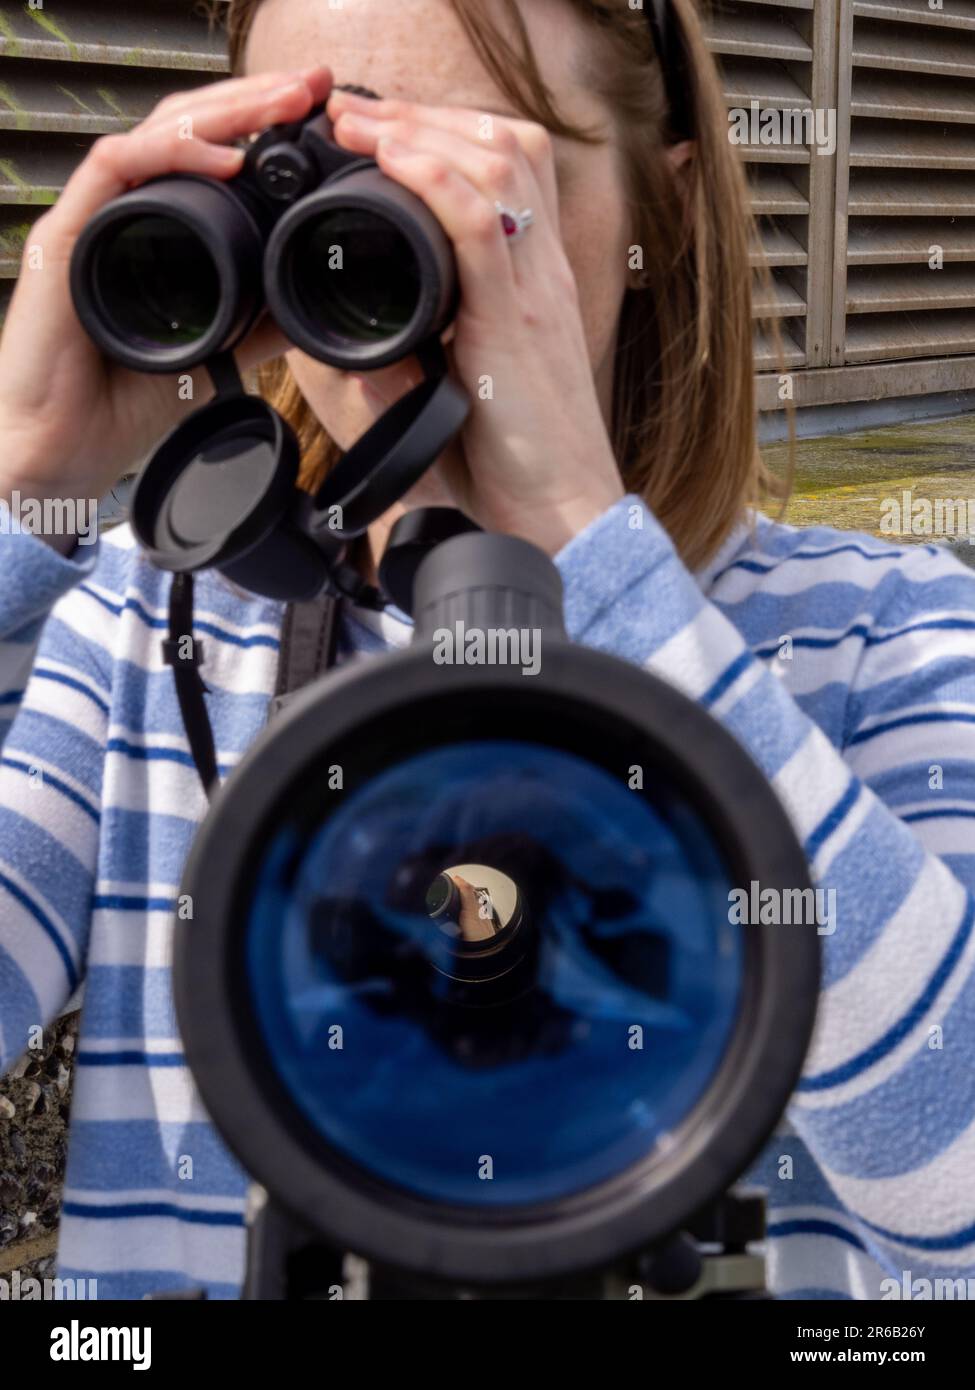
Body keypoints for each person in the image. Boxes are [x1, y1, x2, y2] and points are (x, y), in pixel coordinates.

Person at [0, 0, 972, 1300]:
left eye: (468, 181)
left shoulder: (884, 639)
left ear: (654, 214)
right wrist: (28, 488)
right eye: (327, 191)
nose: (388, 268)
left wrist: (589, 546)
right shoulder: (138, 635)